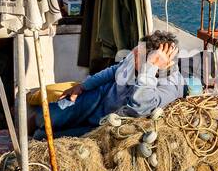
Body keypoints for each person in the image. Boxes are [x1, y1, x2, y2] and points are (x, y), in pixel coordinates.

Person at [35, 31, 184, 134]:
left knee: (43, 137)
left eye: (138, 55)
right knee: (45, 117)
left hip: (108, 124)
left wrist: (149, 69)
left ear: (156, 62)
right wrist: (83, 86)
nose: (132, 55)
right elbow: (114, 71)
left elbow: (140, 107)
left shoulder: (171, 86)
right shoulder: (136, 55)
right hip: (97, 98)